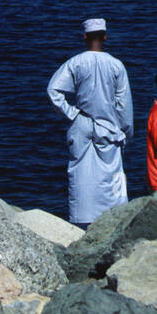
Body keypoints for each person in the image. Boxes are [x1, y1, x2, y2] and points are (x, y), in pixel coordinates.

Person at [47, 18, 134, 227]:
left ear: (85, 37)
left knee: (81, 175)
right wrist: (126, 132)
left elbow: (53, 90)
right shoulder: (116, 65)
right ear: (105, 36)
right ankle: (113, 220)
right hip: (109, 127)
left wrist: (72, 114)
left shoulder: (76, 62)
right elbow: (124, 106)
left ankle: (80, 222)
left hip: (83, 123)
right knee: (111, 178)